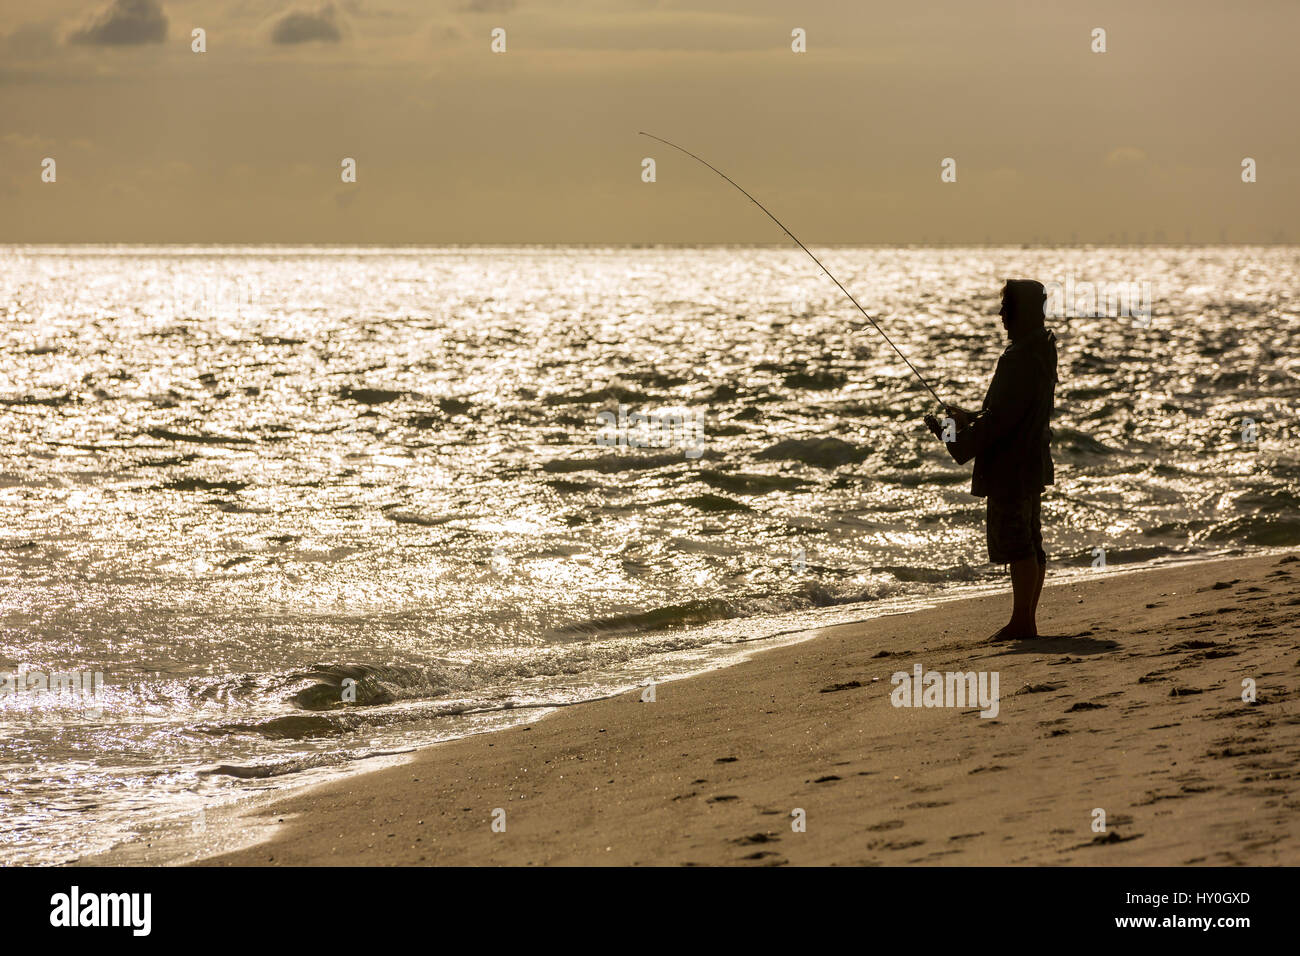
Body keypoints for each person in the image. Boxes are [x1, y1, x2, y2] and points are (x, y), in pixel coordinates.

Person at [925, 279, 1058, 639]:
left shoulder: (1018, 358)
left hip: (1012, 467)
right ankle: (1026, 618)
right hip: (1031, 460)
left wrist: (951, 434)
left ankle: (1022, 622)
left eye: (1006, 308)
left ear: (1020, 312)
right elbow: (1007, 414)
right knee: (1030, 539)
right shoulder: (1042, 349)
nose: (1001, 315)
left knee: (1019, 543)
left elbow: (999, 423)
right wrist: (969, 417)